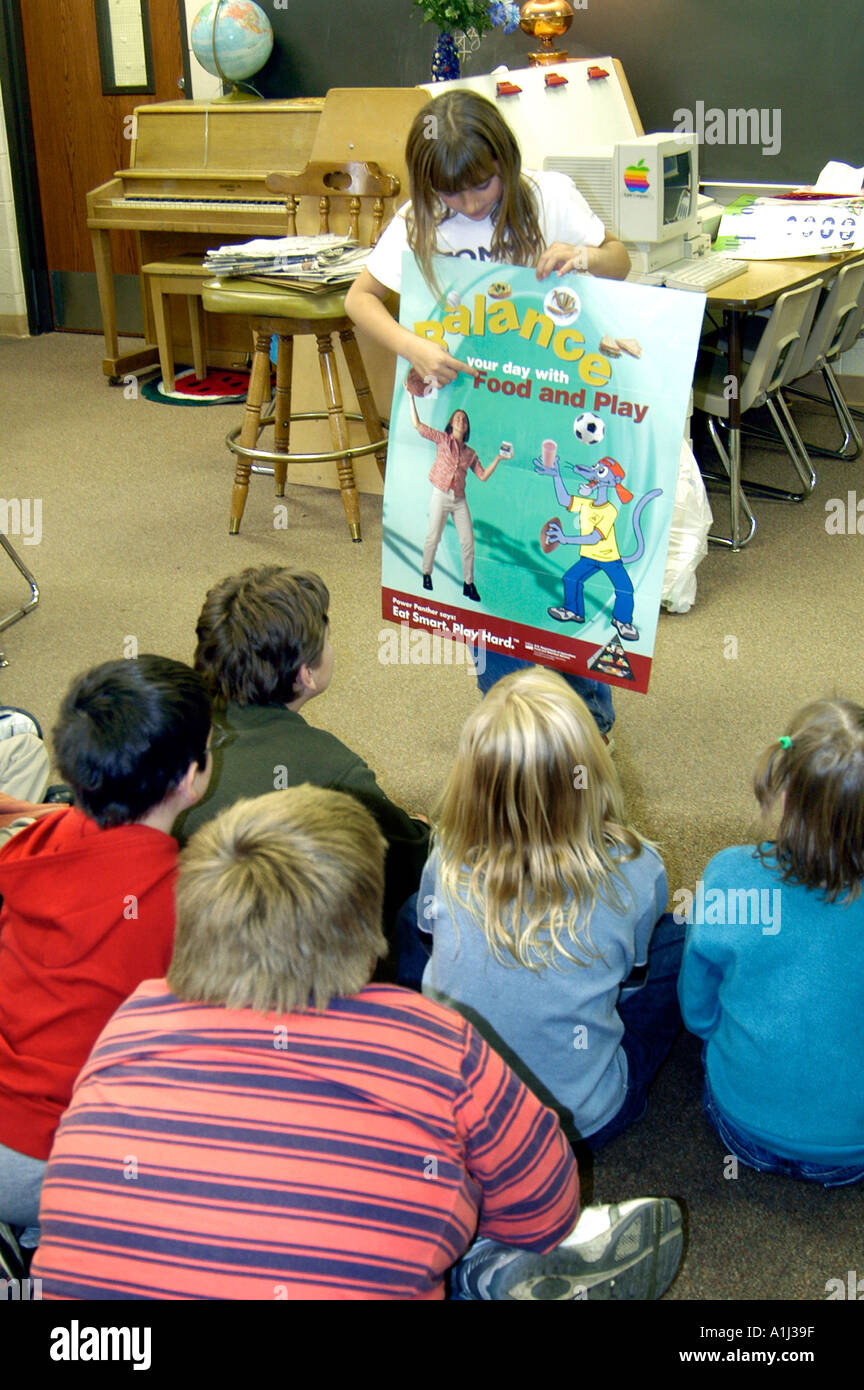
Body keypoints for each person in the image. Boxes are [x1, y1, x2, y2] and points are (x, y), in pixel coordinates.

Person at [33, 785, 683, 1300]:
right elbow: (546, 1208)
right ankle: (475, 1272)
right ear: (367, 926)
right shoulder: (432, 1036)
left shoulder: (131, 1020)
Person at [345, 88, 626, 737]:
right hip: (475, 408)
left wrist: (582, 258)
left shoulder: (548, 194)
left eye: (482, 185)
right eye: (454, 193)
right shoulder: (418, 219)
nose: (471, 204)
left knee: (564, 552)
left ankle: (591, 716)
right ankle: (508, 714)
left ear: (504, 157)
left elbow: (620, 258)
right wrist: (413, 347)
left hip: (552, 400)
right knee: (497, 563)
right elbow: (362, 300)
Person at [417, 668, 683, 1150]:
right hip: (584, 1122)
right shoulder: (638, 868)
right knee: (680, 938)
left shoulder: (447, 854)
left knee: (423, 917)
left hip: (466, 1123)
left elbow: (429, 941)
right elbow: (631, 985)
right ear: (593, 766)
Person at [0, 656, 212, 1246]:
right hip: (50, 1157)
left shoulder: (41, 836)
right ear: (192, 777)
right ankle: (64, 1234)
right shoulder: (185, 901)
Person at [175, 566, 429, 947]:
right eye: (328, 638)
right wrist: (416, 830)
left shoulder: (167, 729)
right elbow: (410, 869)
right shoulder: (336, 771)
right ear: (306, 674)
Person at [678, 699, 864, 1185]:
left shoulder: (729, 875)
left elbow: (697, 1009)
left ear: (781, 789)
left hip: (745, 1131)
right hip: (853, 1152)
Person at [407, 391, 503, 602]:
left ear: (467, 427)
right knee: (433, 536)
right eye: (457, 417)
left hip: (459, 499)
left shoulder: (470, 453)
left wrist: (498, 458)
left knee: (468, 542)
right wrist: (411, 398)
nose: (461, 420)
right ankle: (426, 573)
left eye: (464, 419)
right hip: (440, 494)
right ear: (451, 423)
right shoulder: (442, 439)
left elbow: (483, 476)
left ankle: (468, 583)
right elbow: (418, 425)